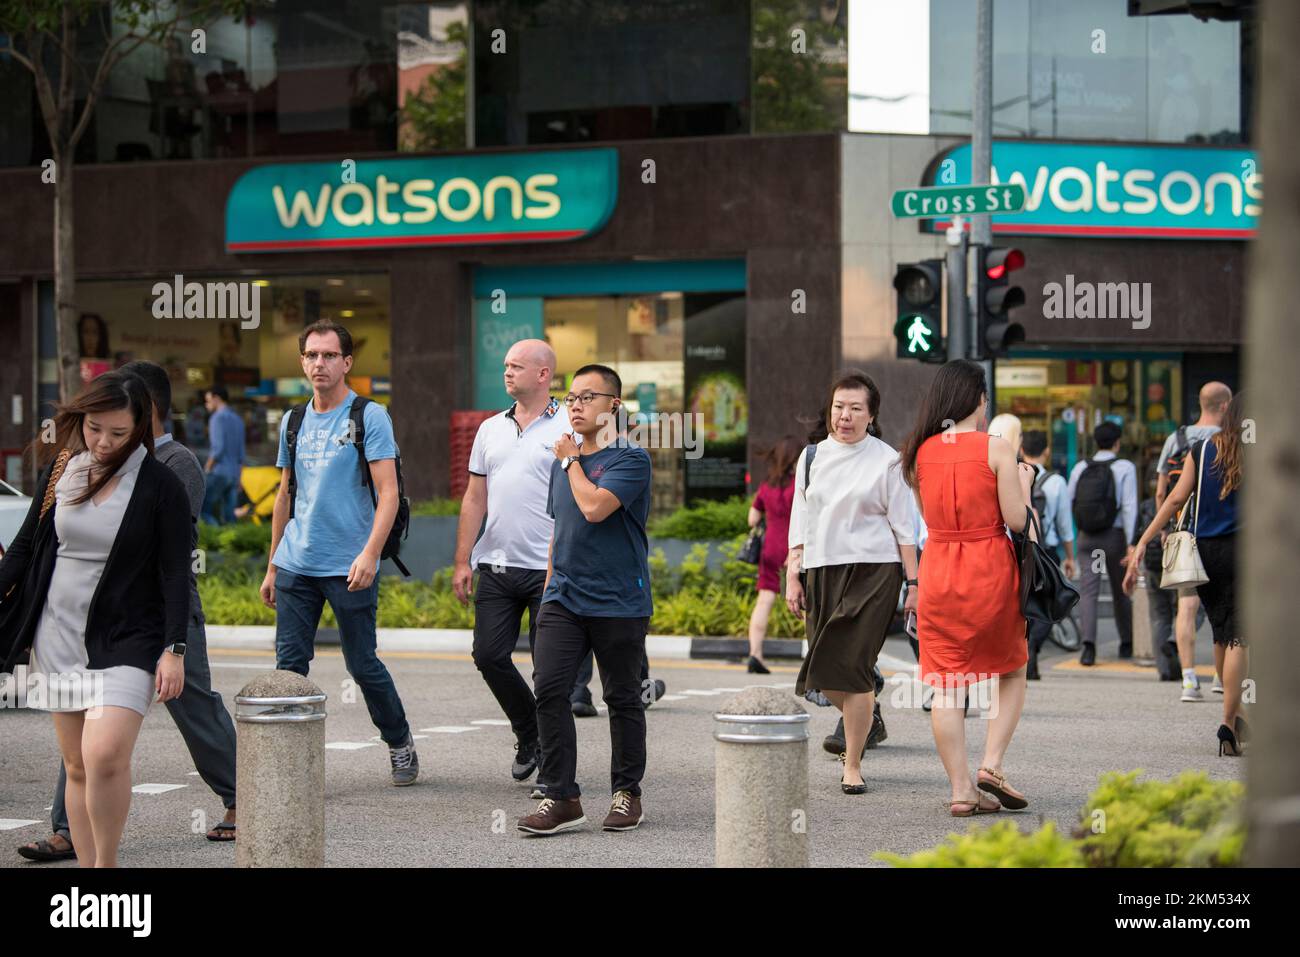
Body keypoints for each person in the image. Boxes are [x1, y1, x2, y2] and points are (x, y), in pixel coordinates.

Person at [17, 361, 239, 863]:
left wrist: (174, 647)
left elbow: (175, 570)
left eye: (117, 432)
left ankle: (110, 860)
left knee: (106, 752)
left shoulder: (164, 478)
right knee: (78, 764)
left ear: (143, 423)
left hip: (133, 632)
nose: (102, 441)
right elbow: (28, 545)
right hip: (61, 632)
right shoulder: (63, 470)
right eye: (94, 428)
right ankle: (82, 860)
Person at [258, 320, 418, 786]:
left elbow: (388, 493)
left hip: (350, 564)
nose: (319, 364)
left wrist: (369, 554)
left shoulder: (369, 416)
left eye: (329, 356)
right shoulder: (293, 420)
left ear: (347, 362)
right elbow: (284, 497)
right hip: (296, 564)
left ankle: (399, 741)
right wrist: (273, 565)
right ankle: (289, 764)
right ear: (302, 361)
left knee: (362, 664)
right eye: (311, 355)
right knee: (289, 668)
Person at [517, 364, 654, 835]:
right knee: (550, 688)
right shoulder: (566, 462)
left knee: (621, 698)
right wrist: (550, 584)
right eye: (571, 397)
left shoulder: (630, 459)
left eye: (587, 397)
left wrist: (572, 461)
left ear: (613, 406)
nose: (575, 405)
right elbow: (561, 530)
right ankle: (561, 795)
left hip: (619, 600)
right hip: (564, 598)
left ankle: (626, 794)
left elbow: (595, 509)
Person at [900, 359, 1035, 817]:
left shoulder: (919, 453)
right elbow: (1017, 521)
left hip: (939, 567)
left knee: (947, 684)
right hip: (989, 569)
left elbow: (926, 520)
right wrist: (1024, 484)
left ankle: (961, 790)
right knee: (1012, 668)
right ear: (979, 399)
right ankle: (991, 766)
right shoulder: (996, 448)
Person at [785, 371, 919, 796]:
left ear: (871, 414)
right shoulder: (811, 458)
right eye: (839, 406)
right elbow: (800, 519)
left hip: (874, 572)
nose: (844, 416)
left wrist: (913, 583)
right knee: (822, 675)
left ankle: (854, 764)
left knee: (855, 667)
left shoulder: (888, 461)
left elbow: (905, 529)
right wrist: (794, 572)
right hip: (822, 569)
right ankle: (868, 710)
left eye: (855, 408)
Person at [453, 339, 572, 785]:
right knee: (488, 655)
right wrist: (462, 559)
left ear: (543, 374)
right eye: (505, 365)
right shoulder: (489, 429)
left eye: (516, 366)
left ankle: (555, 770)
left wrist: (560, 561)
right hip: (497, 566)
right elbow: (474, 496)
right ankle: (529, 732)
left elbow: (576, 499)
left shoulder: (568, 425)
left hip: (549, 569)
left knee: (549, 672)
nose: (507, 373)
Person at [1126, 394, 1247, 756]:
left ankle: (1235, 713)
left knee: (1223, 632)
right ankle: (1228, 722)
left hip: (1206, 552)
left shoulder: (1203, 448)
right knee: (1241, 637)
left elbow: (1175, 499)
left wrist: (1143, 541)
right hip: (1245, 551)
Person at [1155, 381, 1231, 701]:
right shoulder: (1230, 443)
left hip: (1184, 535)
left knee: (1186, 607)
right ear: (1225, 406)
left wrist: (1163, 530)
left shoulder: (1177, 439)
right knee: (1226, 605)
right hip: (1223, 536)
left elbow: (1164, 492)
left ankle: (1188, 680)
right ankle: (1220, 674)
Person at [1067, 420, 1137, 666]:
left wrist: (1076, 535)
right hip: (1114, 537)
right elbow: (1129, 506)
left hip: (1088, 539)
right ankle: (1126, 642)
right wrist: (1132, 543)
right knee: (1121, 590)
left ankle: (1088, 647)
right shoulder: (1125, 467)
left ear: (1095, 442)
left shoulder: (1080, 468)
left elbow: (1070, 501)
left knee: (1088, 591)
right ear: (1117, 442)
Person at [1020, 430, 1078, 679]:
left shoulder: (1013, 474)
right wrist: (1069, 557)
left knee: (1024, 601)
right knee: (1049, 602)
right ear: (1046, 451)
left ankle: (1024, 649)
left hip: (1022, 549)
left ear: (1022, 450)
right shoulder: (1056, 482)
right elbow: (1065, 524)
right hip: (1047, 551)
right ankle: (1033, 645)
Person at [745, 436, 800, 674]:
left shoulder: (767, 485)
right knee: (806, 604)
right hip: (794, 551)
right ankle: (815, 661)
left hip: (769, 550)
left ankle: (755, 654)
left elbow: (752, 519)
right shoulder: (798, 484)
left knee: (764, 601)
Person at [201, 386, 245, 525]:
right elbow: (241, 453)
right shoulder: (237, 419)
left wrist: (206, 469)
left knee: (205, 510)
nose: (206, 404)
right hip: (233, 474)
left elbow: (217, 449)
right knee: (229, 516)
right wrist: (239, 476)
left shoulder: (216, 418)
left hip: (219, 472)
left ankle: (215, 541)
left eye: (208, 400)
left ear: (216, 398)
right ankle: (230, 544)